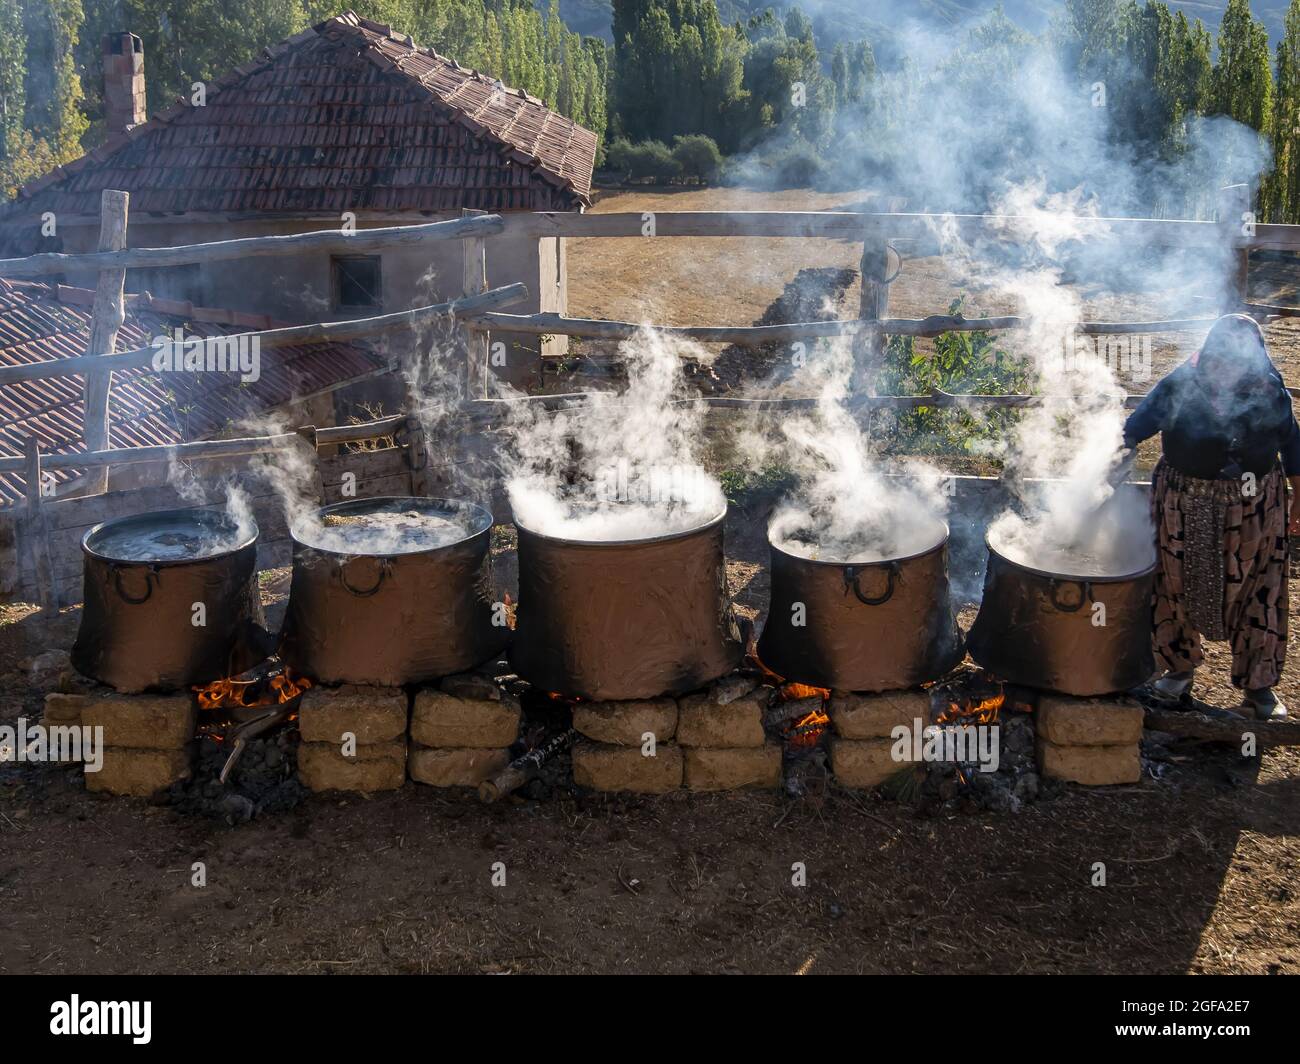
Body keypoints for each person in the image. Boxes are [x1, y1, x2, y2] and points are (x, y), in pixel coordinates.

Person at [1123, 313, 1300, 720]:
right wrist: (1117, 452)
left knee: (1261, 592)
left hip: (1255, 511)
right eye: (1221, 357)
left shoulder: (1270, 390)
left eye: (1239, 360)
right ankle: (1178, 671)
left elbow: (1292, 444)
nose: (1228, 368)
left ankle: (1260, 689)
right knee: (1172, 584)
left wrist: (1298, 497)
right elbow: (1136, 426)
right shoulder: (1180, 383)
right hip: (1182, 506)